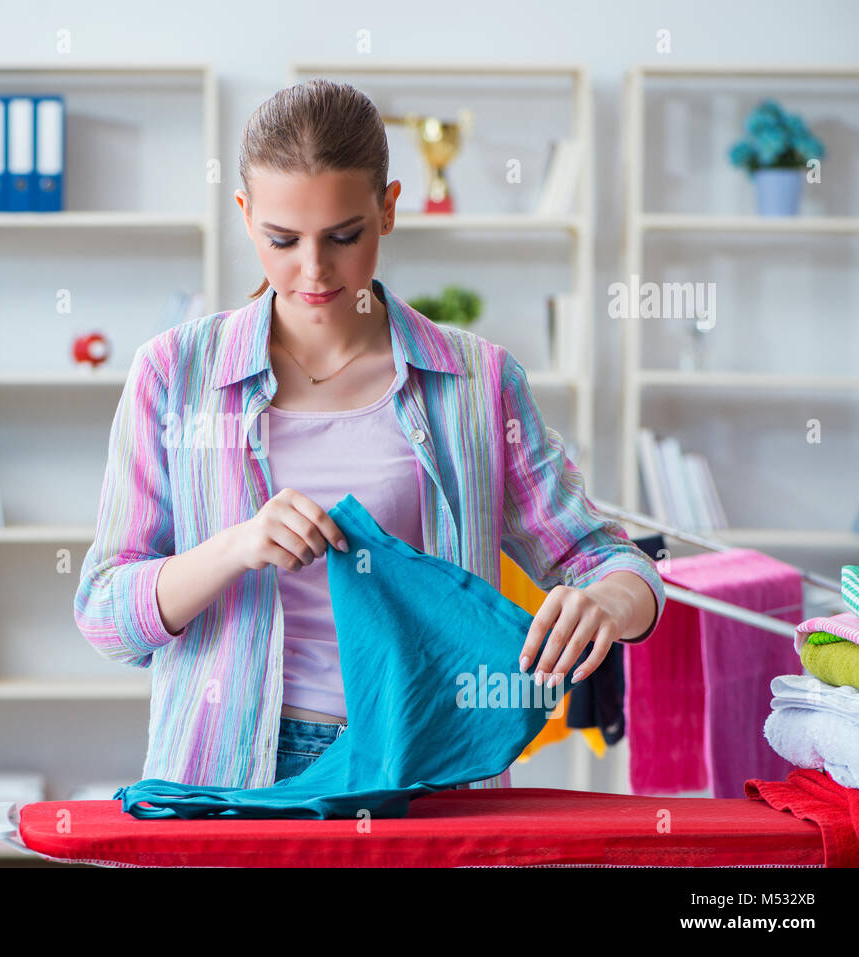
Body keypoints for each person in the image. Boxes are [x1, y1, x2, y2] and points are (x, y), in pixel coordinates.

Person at [74, 78, 664, 790]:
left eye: (343, 236)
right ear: (245, 214)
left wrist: (604, 603)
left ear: (388, 210)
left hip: (421, 766)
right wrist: (235, 547)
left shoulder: (477, 382)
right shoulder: (174, 375)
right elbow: (107, 614)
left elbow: (613, 561)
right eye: (282, 240)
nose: (314, 271)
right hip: (229, 772)